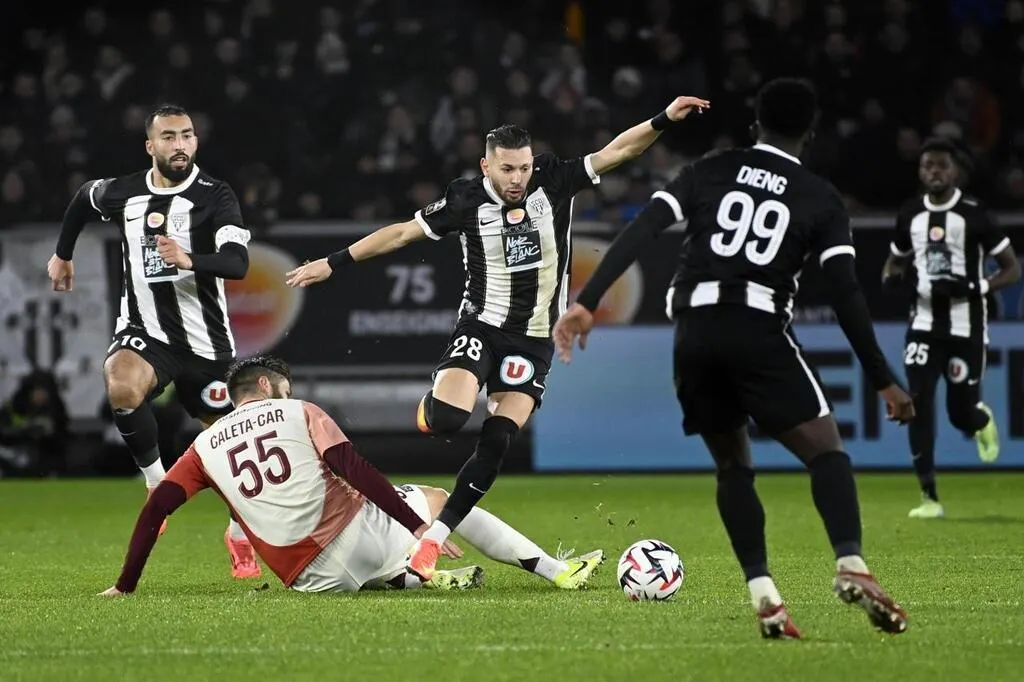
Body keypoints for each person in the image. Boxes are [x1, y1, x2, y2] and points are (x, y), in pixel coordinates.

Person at [283, 95, 710, 581]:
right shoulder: (463, 200)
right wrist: (333, 262)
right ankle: (433, 403)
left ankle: (437, 536)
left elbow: (616, 152)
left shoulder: (554, 179)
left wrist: (663, 119)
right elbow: (402, 234)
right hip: (482, 326)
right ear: (486, 164)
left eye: (524, 169)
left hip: (533, 341)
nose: (517, 179)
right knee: (446, 419)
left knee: (498, 441)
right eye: (507, 169)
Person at [553, 78, 914, 639]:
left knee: (732, 466)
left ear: (755, 127)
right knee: (826, 451)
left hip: (693, 333)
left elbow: (645, 227)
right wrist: (884, 378)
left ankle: (765, 596)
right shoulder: (819, 195)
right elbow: (845, 293)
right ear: (810, 135)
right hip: (757, 325)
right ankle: (851, 564)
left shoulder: (712, 168)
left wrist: (587, 302)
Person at [98, 355, 604, 595]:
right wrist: (417, 524)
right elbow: (353, 468)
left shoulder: (202, 446)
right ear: (270, 386)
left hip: (307, 581)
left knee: (360, 541)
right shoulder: (298, 410)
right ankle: (555, 571)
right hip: (351, 542)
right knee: (435, 498)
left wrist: (125, 585)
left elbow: (157, 508)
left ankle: (410, 578)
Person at [46, 103, 260, 578]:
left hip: (207, 345)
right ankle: (156, 485)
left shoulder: (215, 195)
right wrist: (62, 255)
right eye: (168, 137)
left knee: (230, 444)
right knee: (121, 384)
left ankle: (240, 533)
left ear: (196, 142)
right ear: (151, 146)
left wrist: (189, 260)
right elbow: (84, 198)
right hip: (146, 331)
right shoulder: (124, 193)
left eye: (186, 135)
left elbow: (238, 264)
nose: (179, 144)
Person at [881, 137, 1020, 519]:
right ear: (920, 171)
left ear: (955, 171)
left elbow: (1012, 268)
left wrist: (978, 286)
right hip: (923, 324)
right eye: (928, 166)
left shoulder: (975, 214)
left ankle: (981, 420)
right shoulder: (910, 214)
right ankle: (929, 497)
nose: (934, 172)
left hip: (966, 325)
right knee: (918, 404)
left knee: (960, 413)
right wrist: (895, 280)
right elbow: (892, 264)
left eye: (942, 166)